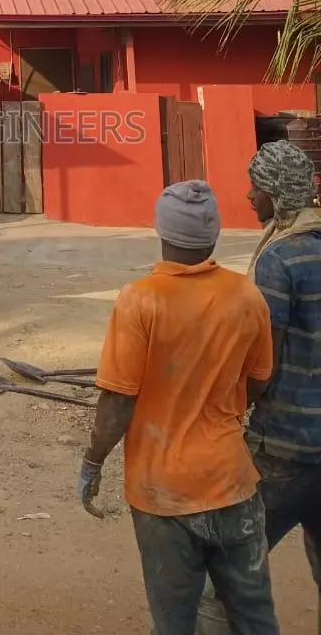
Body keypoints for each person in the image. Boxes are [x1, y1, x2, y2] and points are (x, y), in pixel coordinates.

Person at [78, 179, 279, 635]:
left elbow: (117, 401)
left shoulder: (140, 299)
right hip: (232, 482)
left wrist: (93, 462)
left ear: (161, 231)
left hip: (162, 491)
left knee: (173, 620)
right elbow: (260, 381)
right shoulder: (246, 295)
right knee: (254, 615)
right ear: (213, 236)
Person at [196, 140, 321, 635]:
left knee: (222, 577)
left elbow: (261, 362)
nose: (249, 196)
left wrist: (226, 412)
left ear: (276, 193)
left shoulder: (280, 259)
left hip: (284, 448)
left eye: (257, 187)